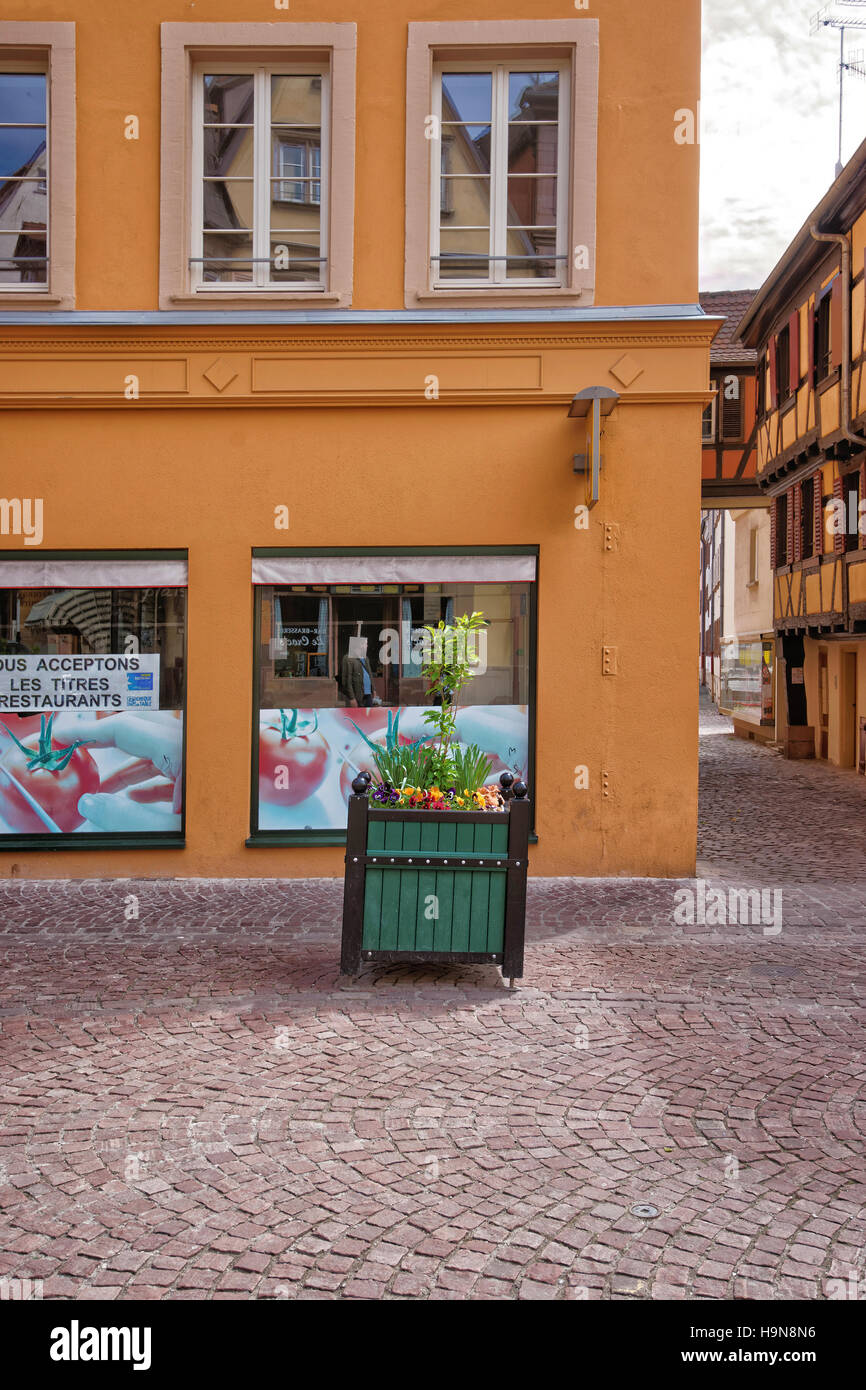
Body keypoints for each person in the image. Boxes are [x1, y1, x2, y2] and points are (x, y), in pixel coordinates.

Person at [340, 635, 376, 706]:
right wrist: (351, 698)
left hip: (368, 694)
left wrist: (373, 689)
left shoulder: (366, 658)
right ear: (360, 645)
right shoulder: (348, 658)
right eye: (366, 644)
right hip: (357, 697)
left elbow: (370, 675)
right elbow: (346, 680)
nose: (367, 646)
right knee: (357, 716)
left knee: (368, 716)